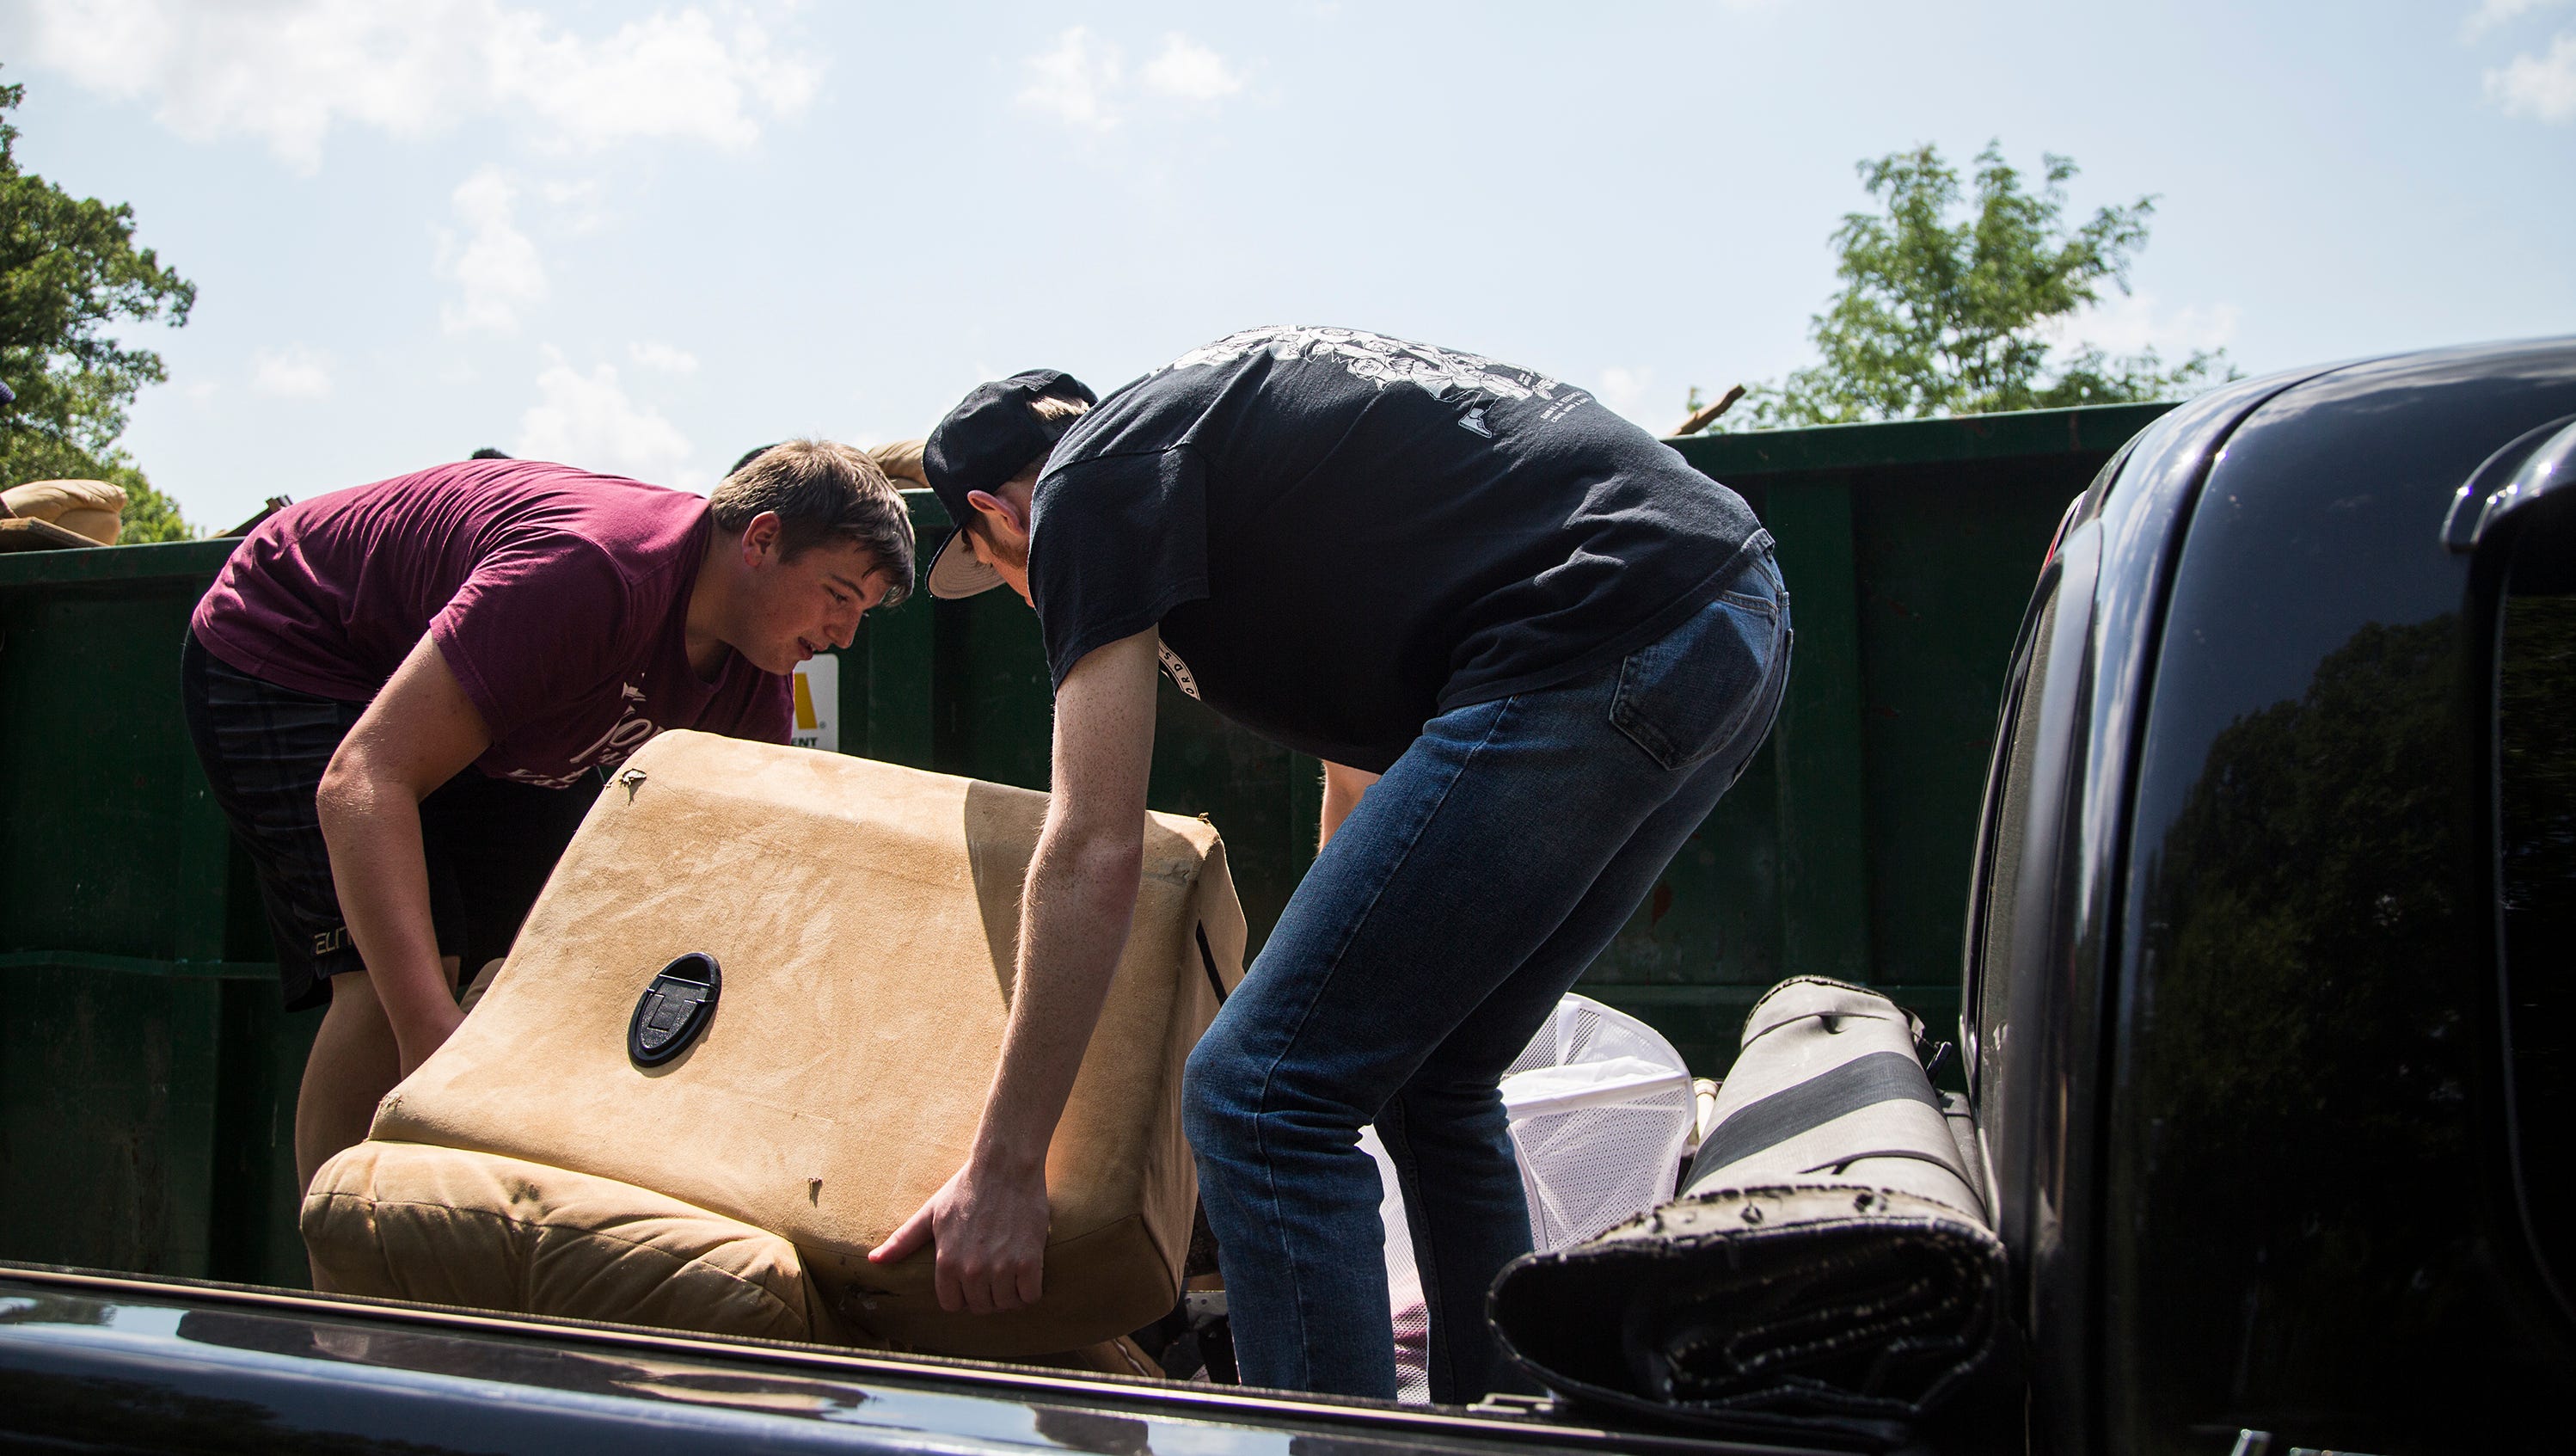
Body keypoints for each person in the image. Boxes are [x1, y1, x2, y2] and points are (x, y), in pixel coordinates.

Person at [869, 327, 1792, 1402]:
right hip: (1727, 611)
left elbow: (1090, 846)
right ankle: (1493, 1421)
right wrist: (1308, 992)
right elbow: (1361, 784)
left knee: (1255, 1097)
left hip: (1601, 632)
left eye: (1000, 575)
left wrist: (1005, 1167)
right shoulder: (1212, 460)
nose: (1030, 595)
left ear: (997, 515)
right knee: (1432, 1077)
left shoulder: (1089, 485)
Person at [183, 442, 913, 1207]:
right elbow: (364, 777)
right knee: (401, 973)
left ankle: (472, 1245)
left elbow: (733, 900)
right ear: (760, 540)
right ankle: (347, 1268)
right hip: (297, 645)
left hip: (487, 712)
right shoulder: (592, 573)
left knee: (539, 967)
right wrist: (430, 1038)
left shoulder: (754, 687)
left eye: (860, 612)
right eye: (838, 595)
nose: (844, 634)